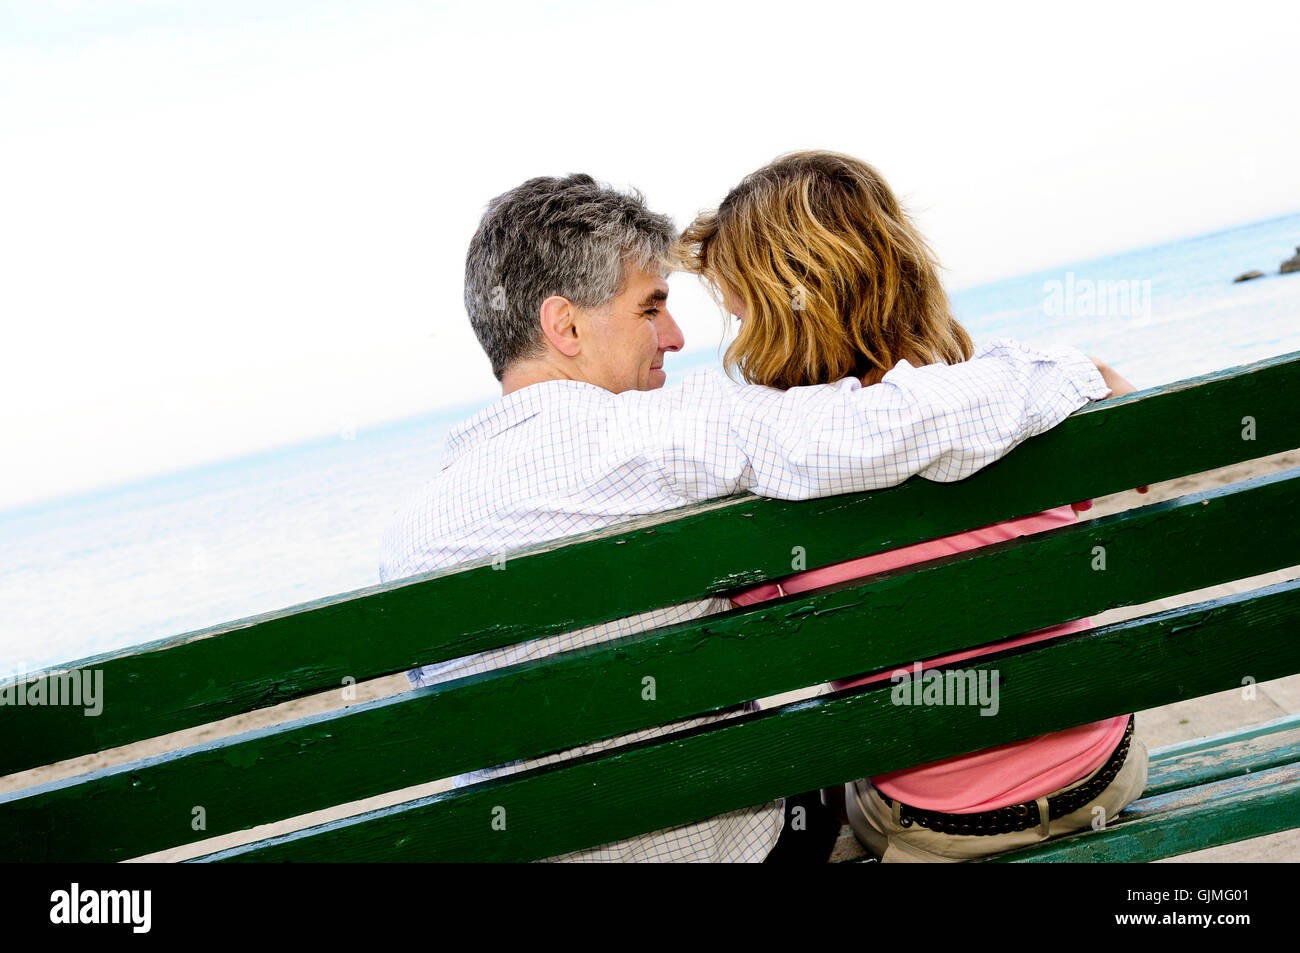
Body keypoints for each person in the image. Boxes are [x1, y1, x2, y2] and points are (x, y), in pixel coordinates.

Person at [378, 171, 1120, 862]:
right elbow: (888, 425)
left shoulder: (407, 539)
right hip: (738, 846)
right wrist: (1068, 372)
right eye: (650, 307)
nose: (673, 337)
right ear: (565, 325)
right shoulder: (675, 428)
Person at [680, 150, 1148, 863]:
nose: (735, 327)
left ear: (780, 305)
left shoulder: (772, 474)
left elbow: (749, 646)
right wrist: (1075, 371)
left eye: (736, 302)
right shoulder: (1026, 402)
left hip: (937, 825)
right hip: (1102, 771)